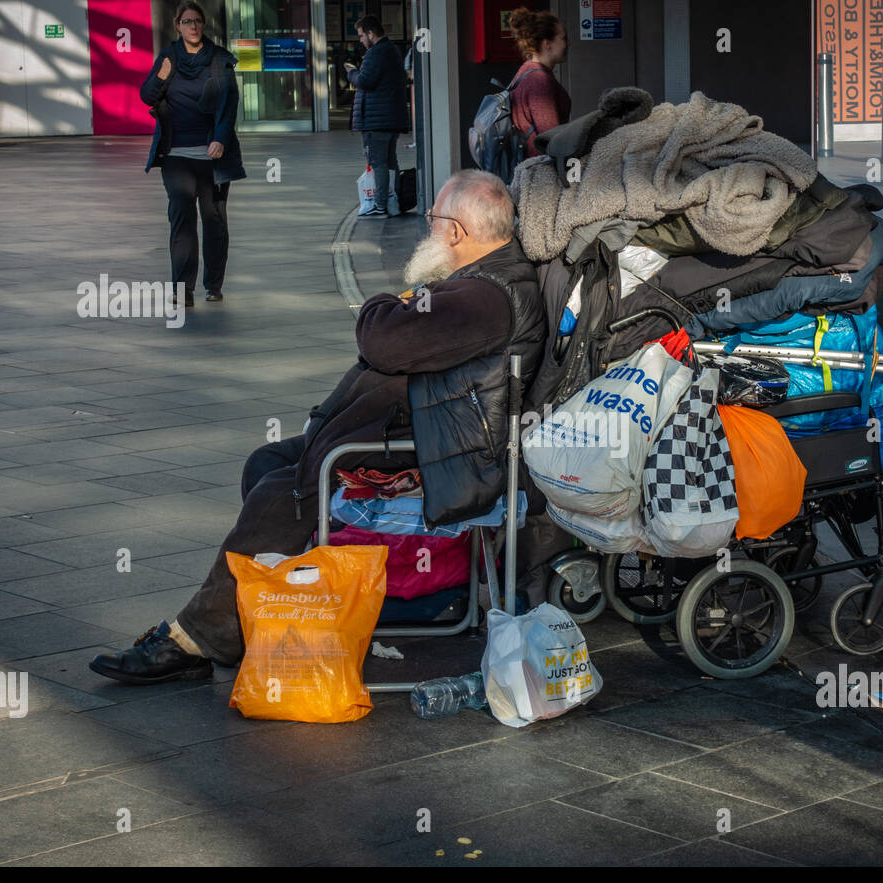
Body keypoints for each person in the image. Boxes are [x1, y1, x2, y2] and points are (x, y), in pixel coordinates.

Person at [88, 171, 546, 684]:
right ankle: (261, 614)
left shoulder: (485, 294)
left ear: (458, 231)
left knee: (283, 490)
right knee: (267, 463)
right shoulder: (485, 282)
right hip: (431, 434)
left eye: (434, 220)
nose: (429, 229)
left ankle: (197, 637)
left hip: (446, 452)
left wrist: (381, 304)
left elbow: (382, 343)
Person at [141, 1, 245, 305]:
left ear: (204, 24)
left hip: (212, 157)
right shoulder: (168, 58)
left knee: (214, 221)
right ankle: (182, 288)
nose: (193, 26)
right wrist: (162, 75)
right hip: (175, 155)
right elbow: (146, 95)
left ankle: (213, 284)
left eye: (198, 21)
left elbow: (229, 106)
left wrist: (221, 139)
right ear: (178, 25)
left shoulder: (219, 60)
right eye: (187, 21)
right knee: (181, 218)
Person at [344, 16, 408, 218]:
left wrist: (351, 73)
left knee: (378, 162)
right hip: (389, 118)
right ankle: (392, 203)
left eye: (362, 35)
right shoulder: (392, 51)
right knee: (390, 162)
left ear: (371, 33)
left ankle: (380, 206)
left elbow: (365, 81)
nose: (361, 40)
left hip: (376, 120)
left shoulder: (376, 53)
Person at [507, 8, 571, 158]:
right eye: (563, 38)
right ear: (547, 44)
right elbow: (552, 139)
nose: (569, 43)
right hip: (541, 172)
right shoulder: (539, 81)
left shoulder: (526, 71)